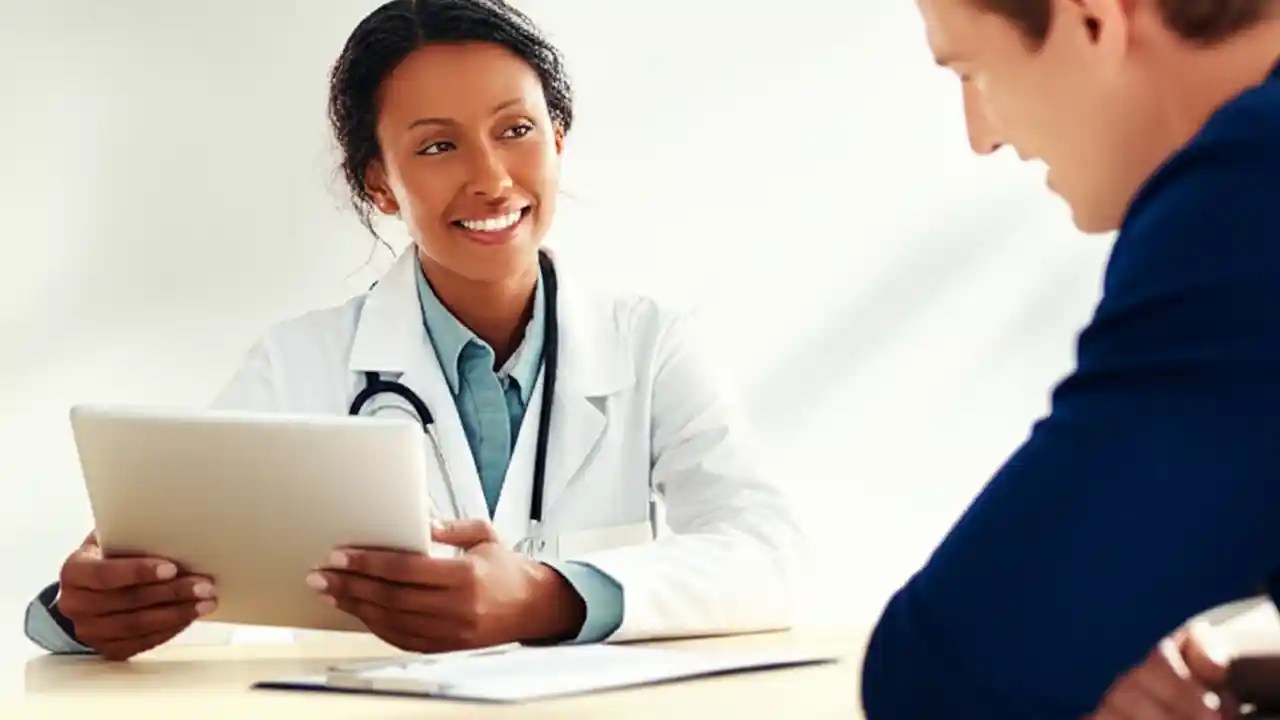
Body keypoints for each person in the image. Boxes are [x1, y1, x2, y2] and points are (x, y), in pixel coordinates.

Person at [23, 0, 803, 661]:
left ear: (558, 140)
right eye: (436, 146)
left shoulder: (651, 344)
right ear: (380, 185)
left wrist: (545, 598)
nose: (492, 178)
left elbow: (769, 555)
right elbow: (157, 559)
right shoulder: (304, 363)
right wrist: (79, 615)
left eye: (517, 130)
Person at [861, 0, 1280, 717]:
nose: (982, 137)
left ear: (1092, 19)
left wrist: (1076, 665)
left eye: (973, 71)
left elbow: (944, 672)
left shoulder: (1248, 190)